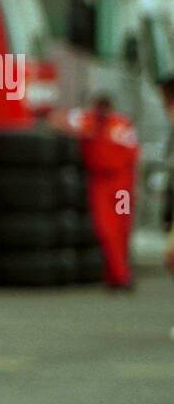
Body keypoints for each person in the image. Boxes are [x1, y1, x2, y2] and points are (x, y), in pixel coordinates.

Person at [74, 94, 140, 289]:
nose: (102, 111)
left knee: (122, 228)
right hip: (99, 182)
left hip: (122, 183)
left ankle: (118, 274)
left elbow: (134, 154)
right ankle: (120, 276)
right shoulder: (87, 122)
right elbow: (60, 122)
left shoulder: (121, 125)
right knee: (105, 229)